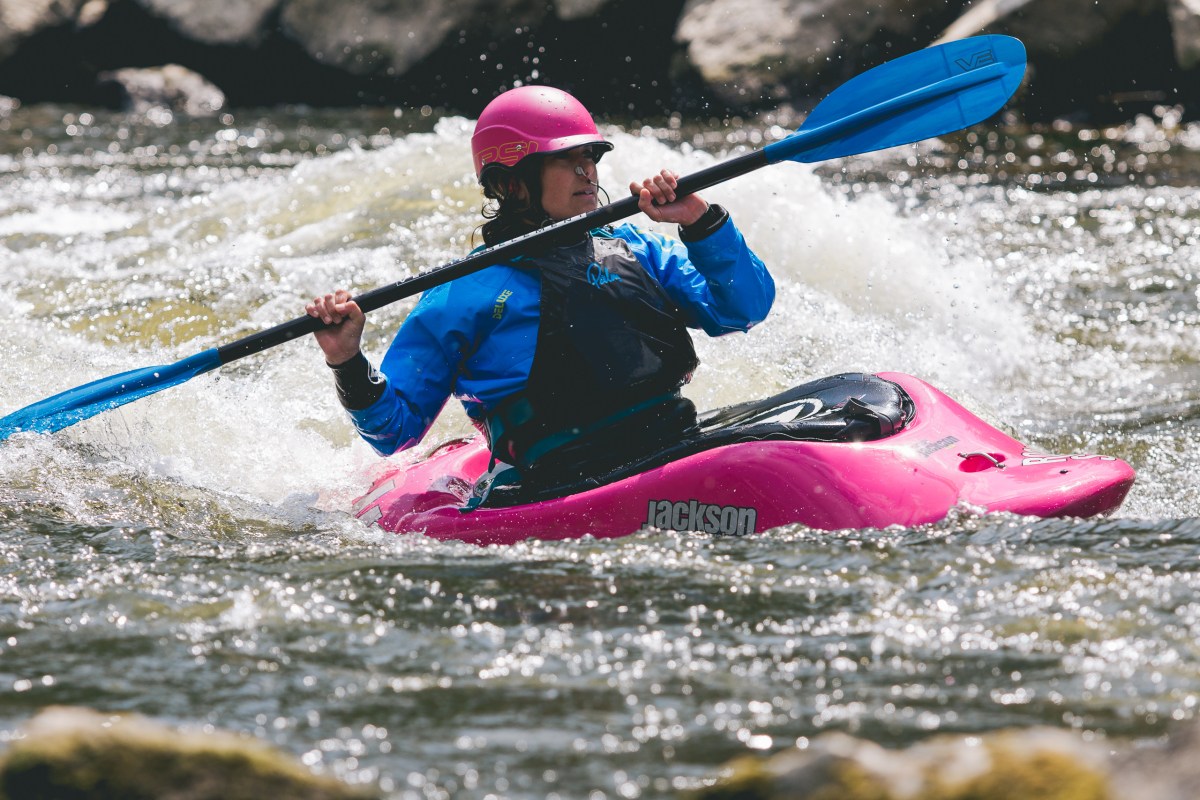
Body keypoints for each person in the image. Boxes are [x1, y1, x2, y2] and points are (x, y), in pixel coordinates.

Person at [306, 85, 774, 498]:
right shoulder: (464, 294)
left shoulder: (634, 246)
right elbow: (396, 432)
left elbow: (743, 311)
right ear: (513, 183)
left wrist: (701, 221)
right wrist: (347, 361)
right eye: (567, 161)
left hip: (673, 444)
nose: (588, 173)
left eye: (590, 157)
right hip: (559, 482)